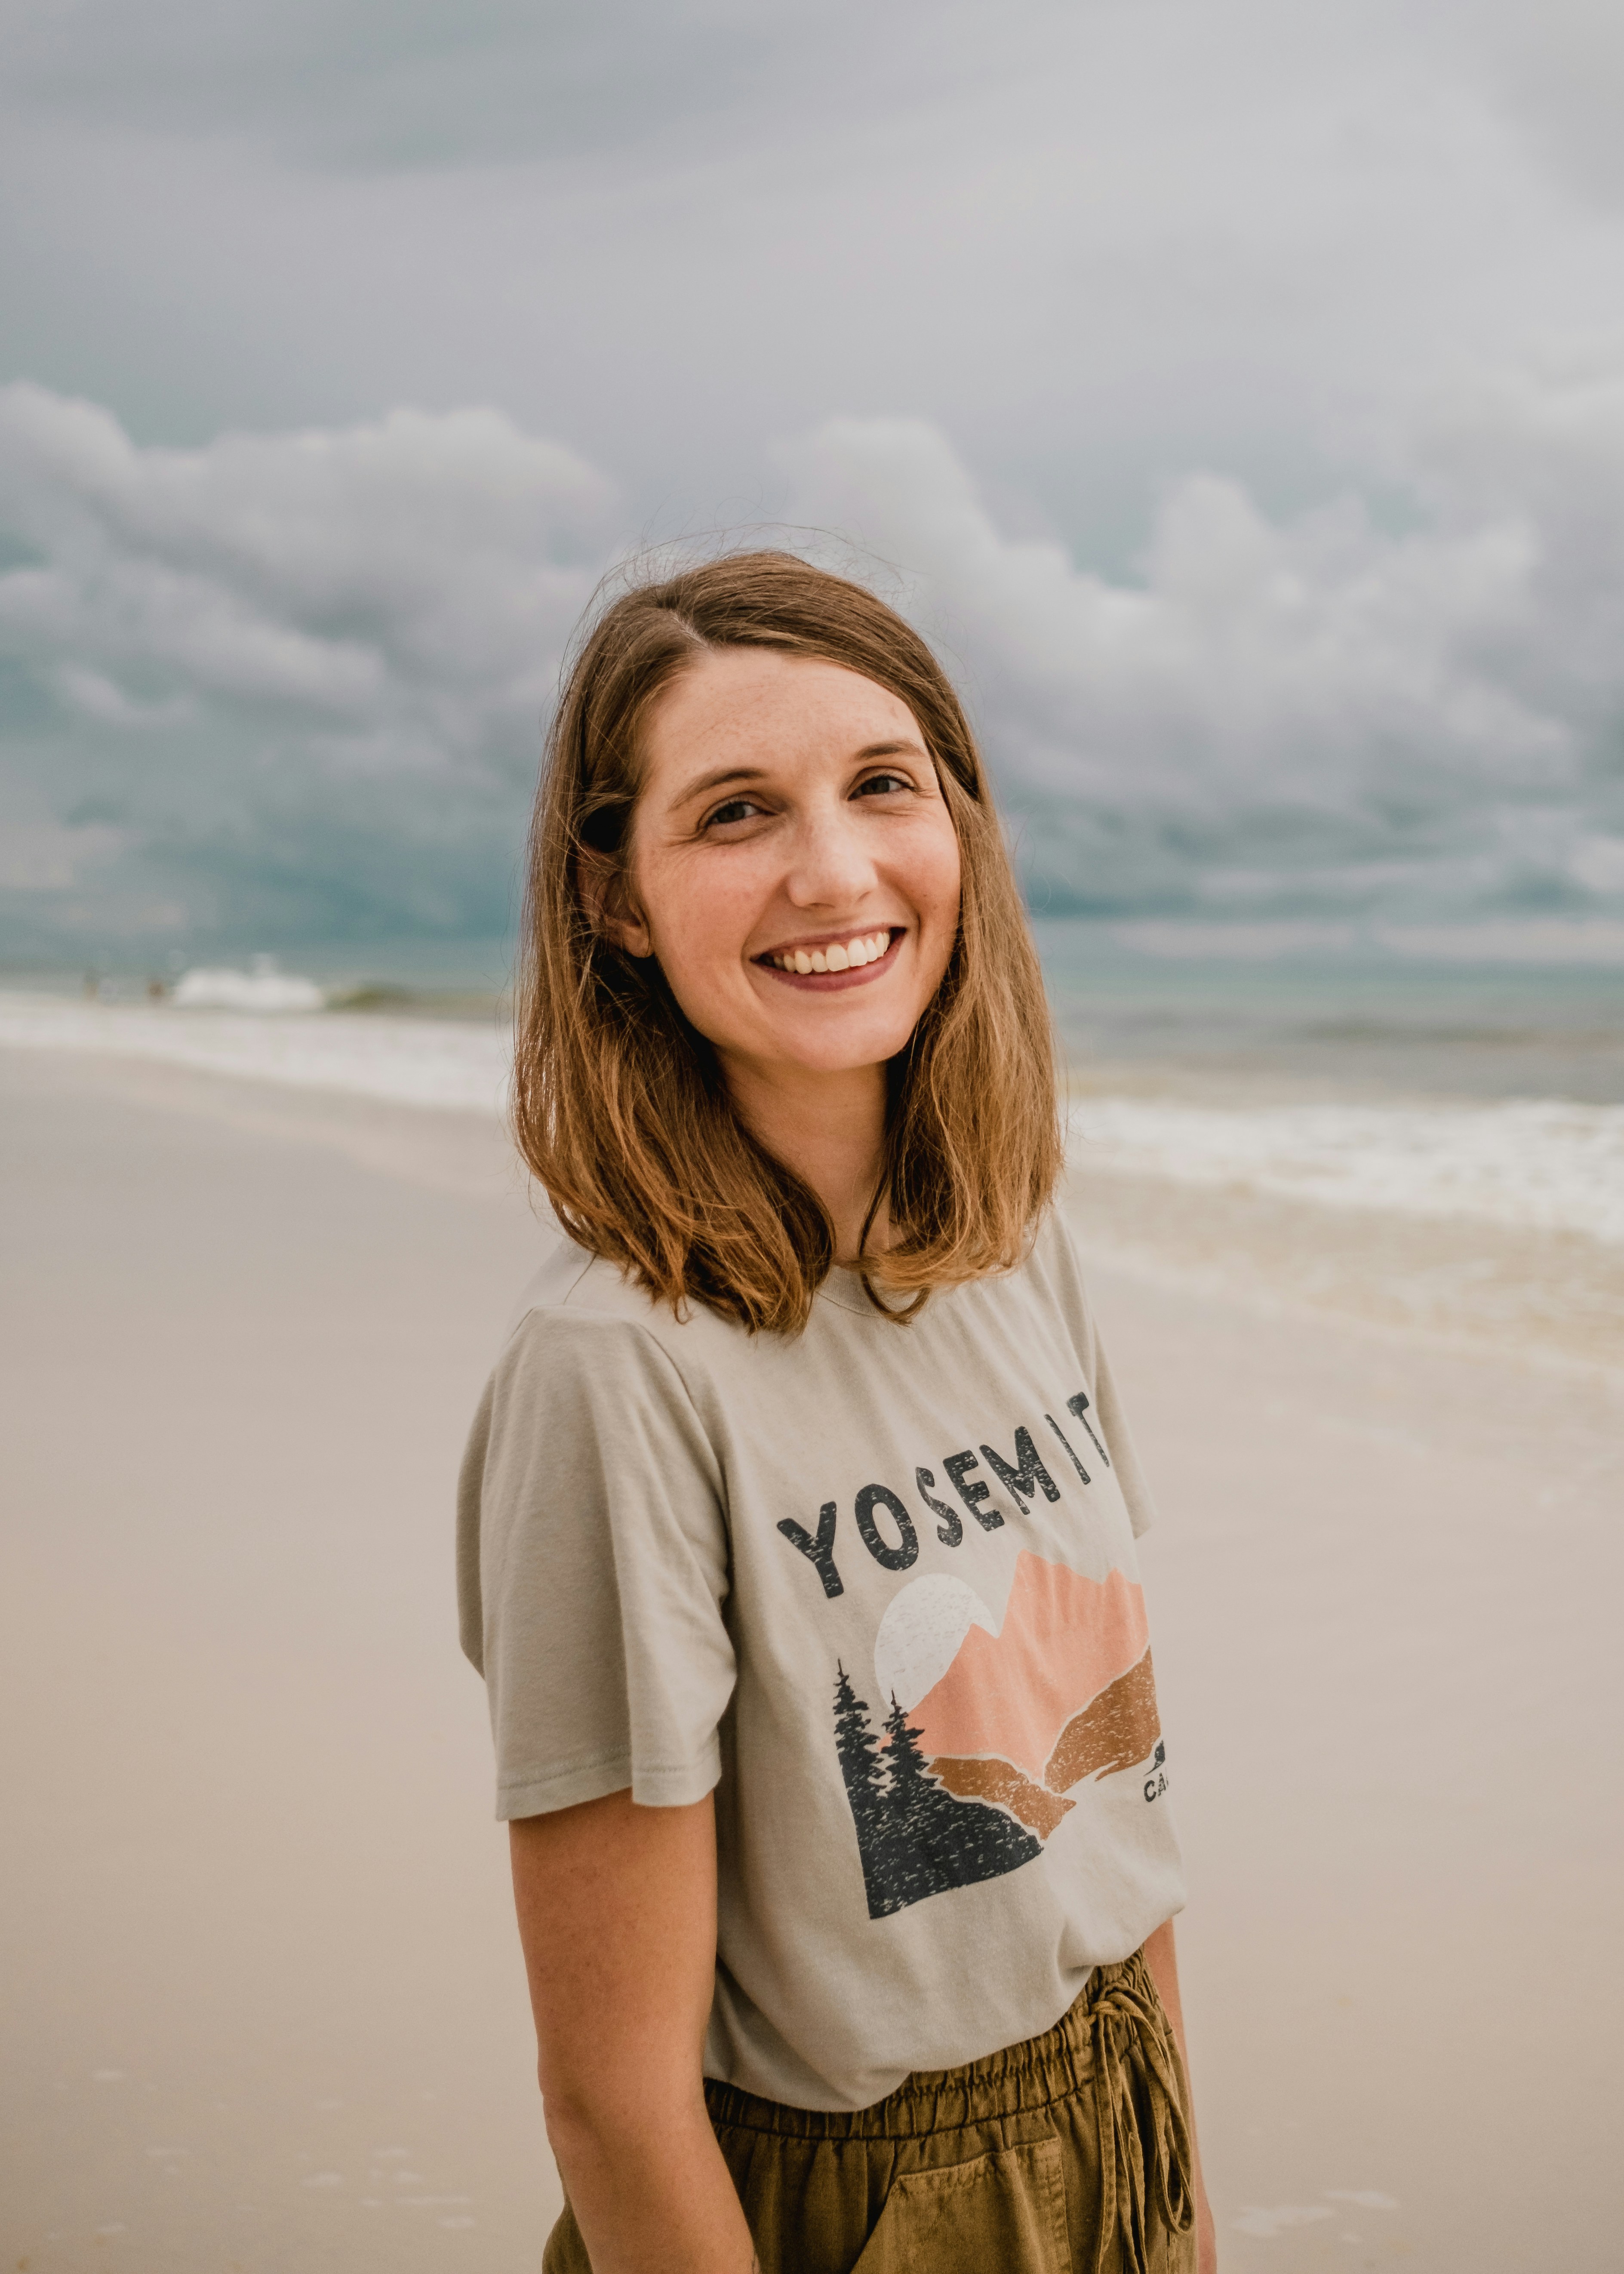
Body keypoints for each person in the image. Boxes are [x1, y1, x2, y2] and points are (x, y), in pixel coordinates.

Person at [457, 552, 1217, 2274]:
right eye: (735, 812)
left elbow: (1119, 1822)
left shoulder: (1016, 1249)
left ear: (960, 828)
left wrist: (1181, 2206)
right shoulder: (618, 1370)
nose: (833, 870)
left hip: (1121, 2111)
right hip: (841, 2203)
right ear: (617, 901)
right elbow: (614, 2099)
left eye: (883, 784)